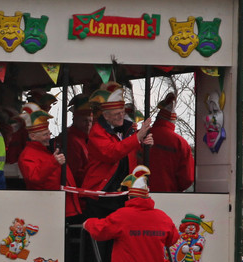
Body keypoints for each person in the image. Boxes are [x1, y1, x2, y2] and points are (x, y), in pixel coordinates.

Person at [78, 83, 151, 219]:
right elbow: (111, 153)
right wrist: (137, 138)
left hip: (123, 193)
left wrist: (144, 143)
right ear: (106, 116)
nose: (121, 116)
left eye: (123, 113)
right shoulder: (96, 132)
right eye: (117, 114)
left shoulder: (129, 129)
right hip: (101, 195)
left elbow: (133, 153)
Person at [147, 92, 195, 193]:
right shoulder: (181, 143)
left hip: (139, 193)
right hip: (169, 195)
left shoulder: (141, 135)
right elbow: (188, 178)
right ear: (173, 121)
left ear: (158, 118)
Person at [15, 106, 65, 193]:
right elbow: (34, 178)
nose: (49, 137)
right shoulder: (27, 155)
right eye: (45, 135)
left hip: (53, 198)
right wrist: (53, 161)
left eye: (49, 133)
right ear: (33, 136)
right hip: (43, 201)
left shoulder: (43, 151)